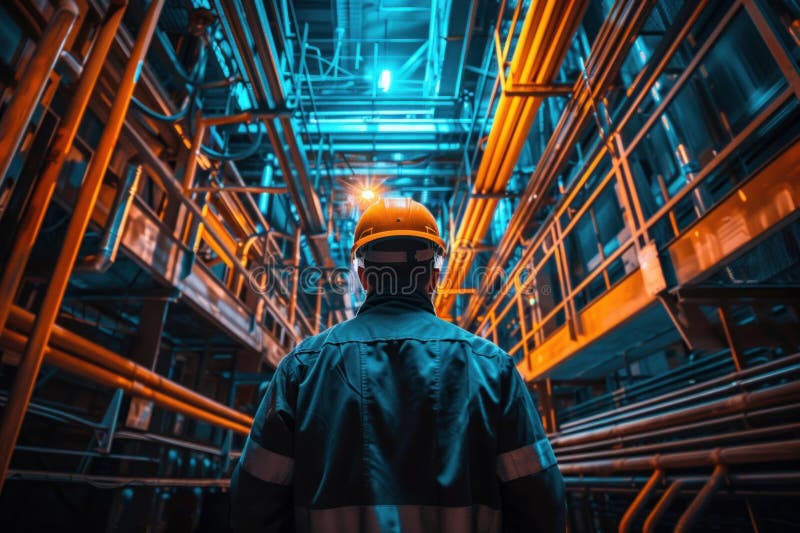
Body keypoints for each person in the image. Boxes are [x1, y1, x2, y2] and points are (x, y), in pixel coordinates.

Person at [230, 198, 565, 532]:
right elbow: (541, 507)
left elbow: (254, 507)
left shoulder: (301, 369)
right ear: (435, 275)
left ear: (362, 276)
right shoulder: (494, 369)